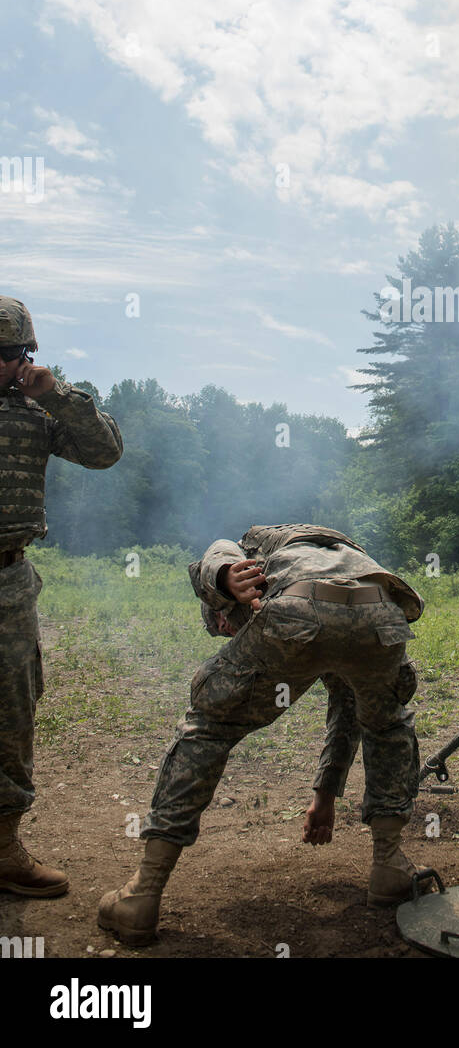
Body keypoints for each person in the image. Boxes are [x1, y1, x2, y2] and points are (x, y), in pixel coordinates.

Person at [98, 522, 428, 946]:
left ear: (223, 613)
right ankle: (389, 867)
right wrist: (324, 798)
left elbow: (218, 552)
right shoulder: (329, 549)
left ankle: (141, 894)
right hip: (381, 613)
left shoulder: (251, 542)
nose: (233, 634)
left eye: (226, 627)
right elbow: (349, 713)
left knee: (210, 724)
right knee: (386, 725)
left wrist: (221, 578)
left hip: (298, 609)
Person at [0, 295, 123, 897]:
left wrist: (57, 396)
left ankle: (2, 848)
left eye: (11, 354)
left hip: (7, 581)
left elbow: (104, 453)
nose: (4, 365)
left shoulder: (33, 409)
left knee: (12, 710)